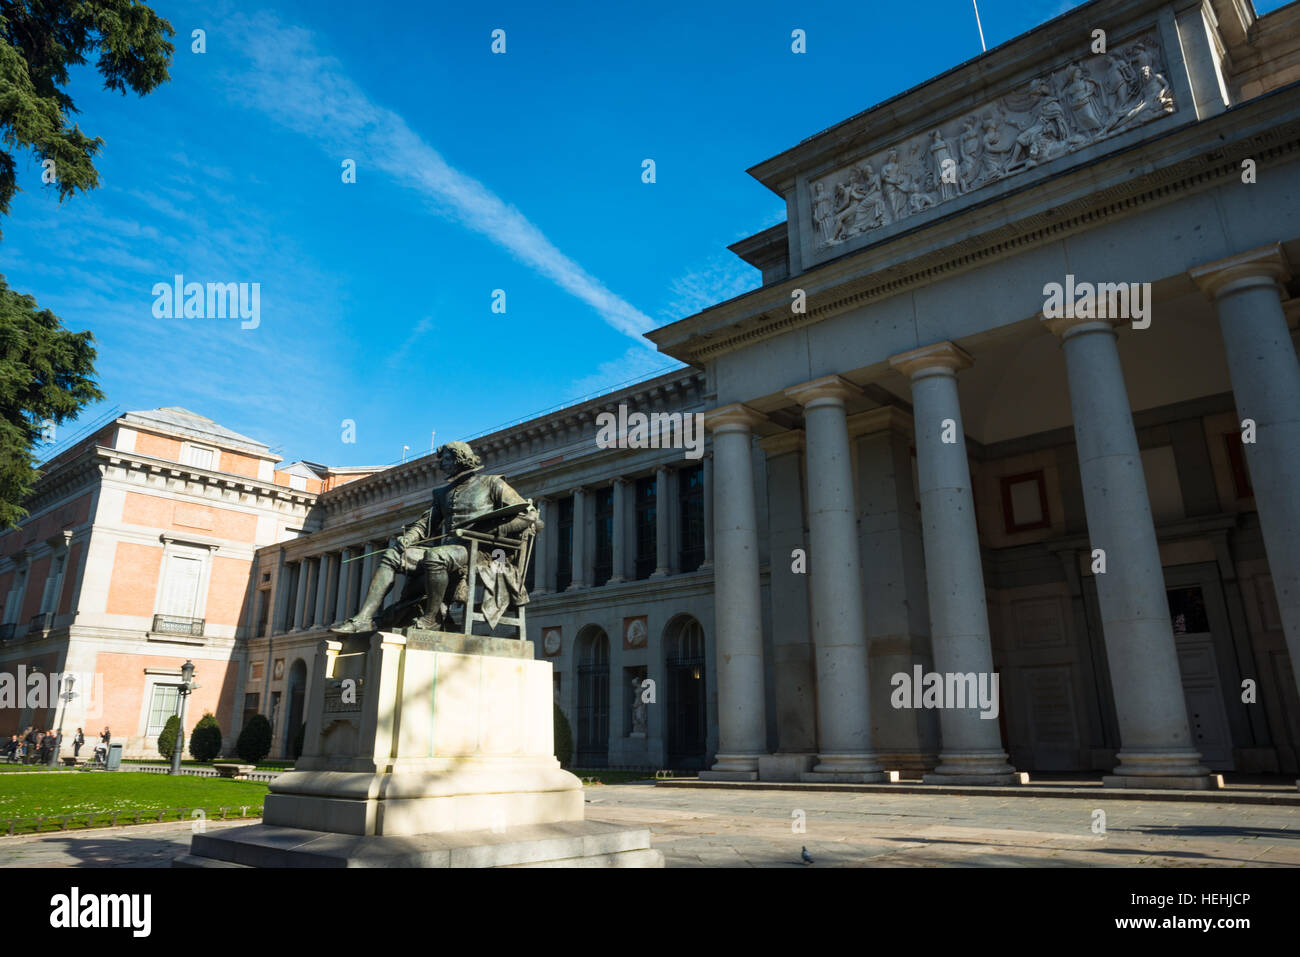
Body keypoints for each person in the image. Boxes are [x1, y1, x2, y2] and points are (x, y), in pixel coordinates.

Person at [330, 442, 539, 634]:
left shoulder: (492, 483)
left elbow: (530, 516)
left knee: (435, 556)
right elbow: (425, 524)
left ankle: (432, 618)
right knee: (393, 554)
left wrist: (491, 531)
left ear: (461, 460)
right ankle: (363, 618)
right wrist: (409, 538)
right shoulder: (442, 494)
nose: (442, 466)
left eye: (446, 460)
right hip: (451, 550)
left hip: (482, 552)